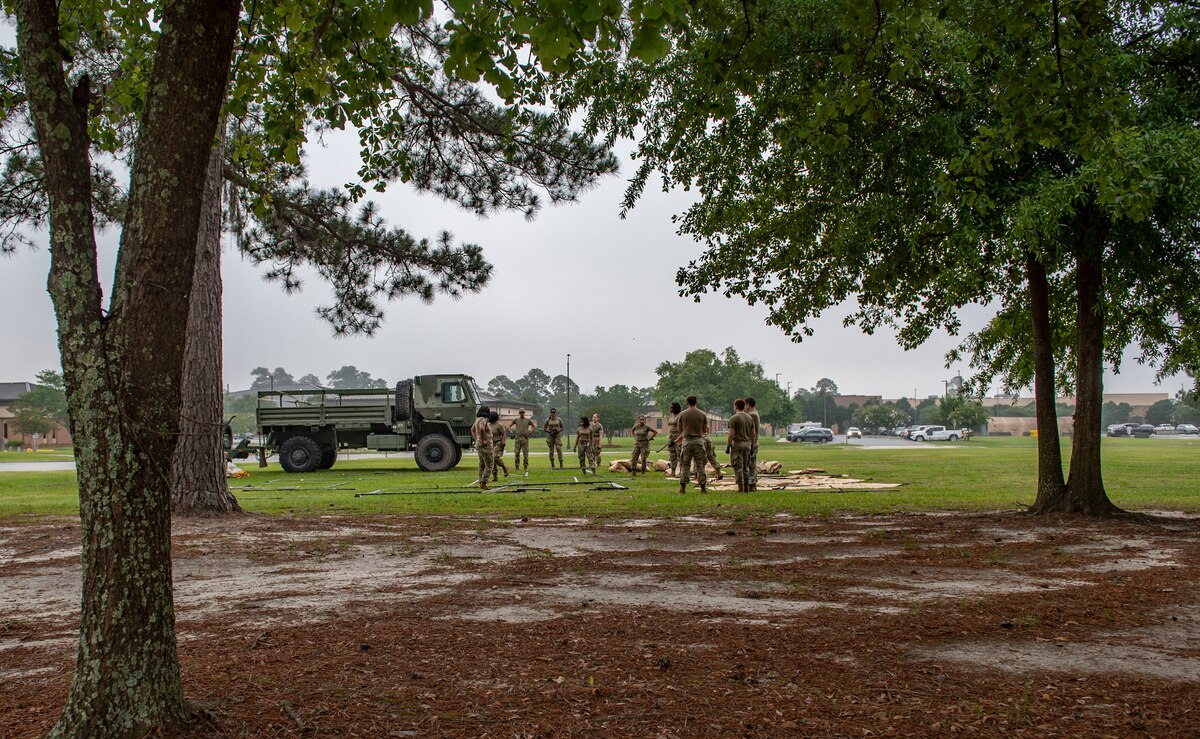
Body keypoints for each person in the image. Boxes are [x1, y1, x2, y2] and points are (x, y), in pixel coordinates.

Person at [675, 396, 708, 493]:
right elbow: (704, 430)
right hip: (698, 441)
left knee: (685, 465)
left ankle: (683, 488)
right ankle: (703, 488)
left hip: (687, 442)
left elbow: (679, 430)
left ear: (687, 402)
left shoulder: (682, 414)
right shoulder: (702, 414)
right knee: (700, 465)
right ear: (696, 402)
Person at [726, 399, 755, 492]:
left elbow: (731, 434)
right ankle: (746, 488)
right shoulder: (750, 418)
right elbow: (753, 434)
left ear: (736, 406)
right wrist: (752, 446)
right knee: (746, 466)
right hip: (747, 444)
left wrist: (728, 445)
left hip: (738, 444)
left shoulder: (733, 418)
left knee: (738, 466)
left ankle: (740, 488)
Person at [471, 406, 493, 489]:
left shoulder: (477, 419)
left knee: (482, 464)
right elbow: (481, 429)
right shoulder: (483, 419)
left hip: (479, 445)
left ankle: (481, 481)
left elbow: (472, 430)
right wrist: (483, 440)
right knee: (489, 464)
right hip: (485, 446)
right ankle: (484, 482)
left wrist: (477, 439)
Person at [745, 397, 761, 491]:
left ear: (748, 404)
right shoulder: (755, 413)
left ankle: (751, 484)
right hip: (754, 442)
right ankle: (753, 484)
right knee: (752, 464)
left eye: (745, 404)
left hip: (752, 443)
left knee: (750, 465)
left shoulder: (752, 414)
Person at [489, 410, 509, 480]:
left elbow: (503, 434)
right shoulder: (488, 425)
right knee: (492, 460)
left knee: (495, 457)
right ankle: (495, 476)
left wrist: (503, 442)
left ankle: (504, 467)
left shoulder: (499, 425)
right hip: (490, 444)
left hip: (498, 443)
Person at [666, 402, 682, 476]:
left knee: (680, 455)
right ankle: (673, 472)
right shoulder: (671, 416)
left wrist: (678, 438)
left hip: (678, 438)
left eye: (671, 407)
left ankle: (681, 472)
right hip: (671, 438)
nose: (670, 409)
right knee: (672, 456)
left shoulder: (680, 415)